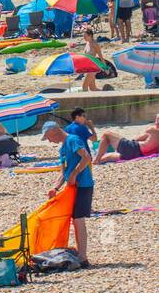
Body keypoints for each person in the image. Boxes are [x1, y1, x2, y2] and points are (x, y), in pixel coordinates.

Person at [42, 121, 93, 266]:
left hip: (83, 185)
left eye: (48, 137)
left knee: (78, 219)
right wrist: (56, 188)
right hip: (73, 187)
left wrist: (75, 174)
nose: (50, 141)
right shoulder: (63, 148)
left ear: (54, 131)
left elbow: (86, 157)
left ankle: (83, 257)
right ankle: (80, 254)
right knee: (74, 219)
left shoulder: (72, 140)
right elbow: (63, 171)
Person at [93, 113, 159, 164]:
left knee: (106, 134)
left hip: (133, 149)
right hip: (138, 154)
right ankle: (95, 161)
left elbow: (148, 130)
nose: (156, 121)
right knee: (108, 156)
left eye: (157, 119)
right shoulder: (154, 133)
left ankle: (96, 160)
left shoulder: (154, 130)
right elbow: (142, 137)